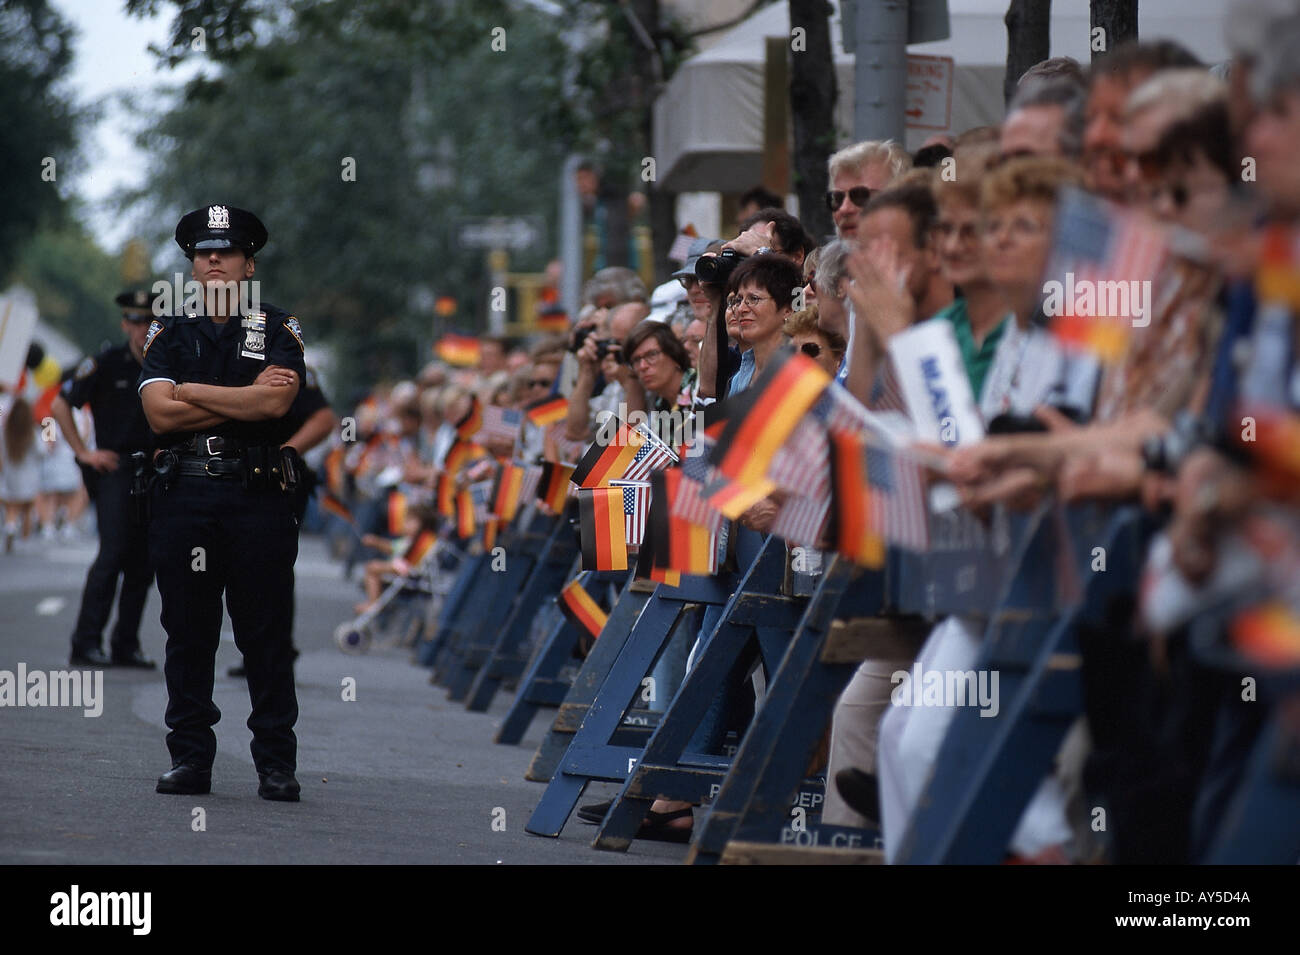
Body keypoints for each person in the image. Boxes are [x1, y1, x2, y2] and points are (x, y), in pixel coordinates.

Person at [138, 204, 305, 801]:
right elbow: (159, 414)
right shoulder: (169, 328)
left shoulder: (277, 327)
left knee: (263, 631)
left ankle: (276, 764)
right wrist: (242, 396)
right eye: (203, 253)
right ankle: (190, 759)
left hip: (256, 493)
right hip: (184, 493)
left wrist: (191, 392)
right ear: (190, 264)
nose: (213, 260)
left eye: (226, 251)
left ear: (247, 263)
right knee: (187, 630)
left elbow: (275, 408)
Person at [52, 289, 162, 668]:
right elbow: (61, 403)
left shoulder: (166, 363)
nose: (142, 328)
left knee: (144, 562)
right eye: (135, 321)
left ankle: (125, 644)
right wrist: (83, 452)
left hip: (156, 472)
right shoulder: (106, 363)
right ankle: (85, 642)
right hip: (116, 470)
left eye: (149, 321)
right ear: (124, 324)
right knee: (112, 554)